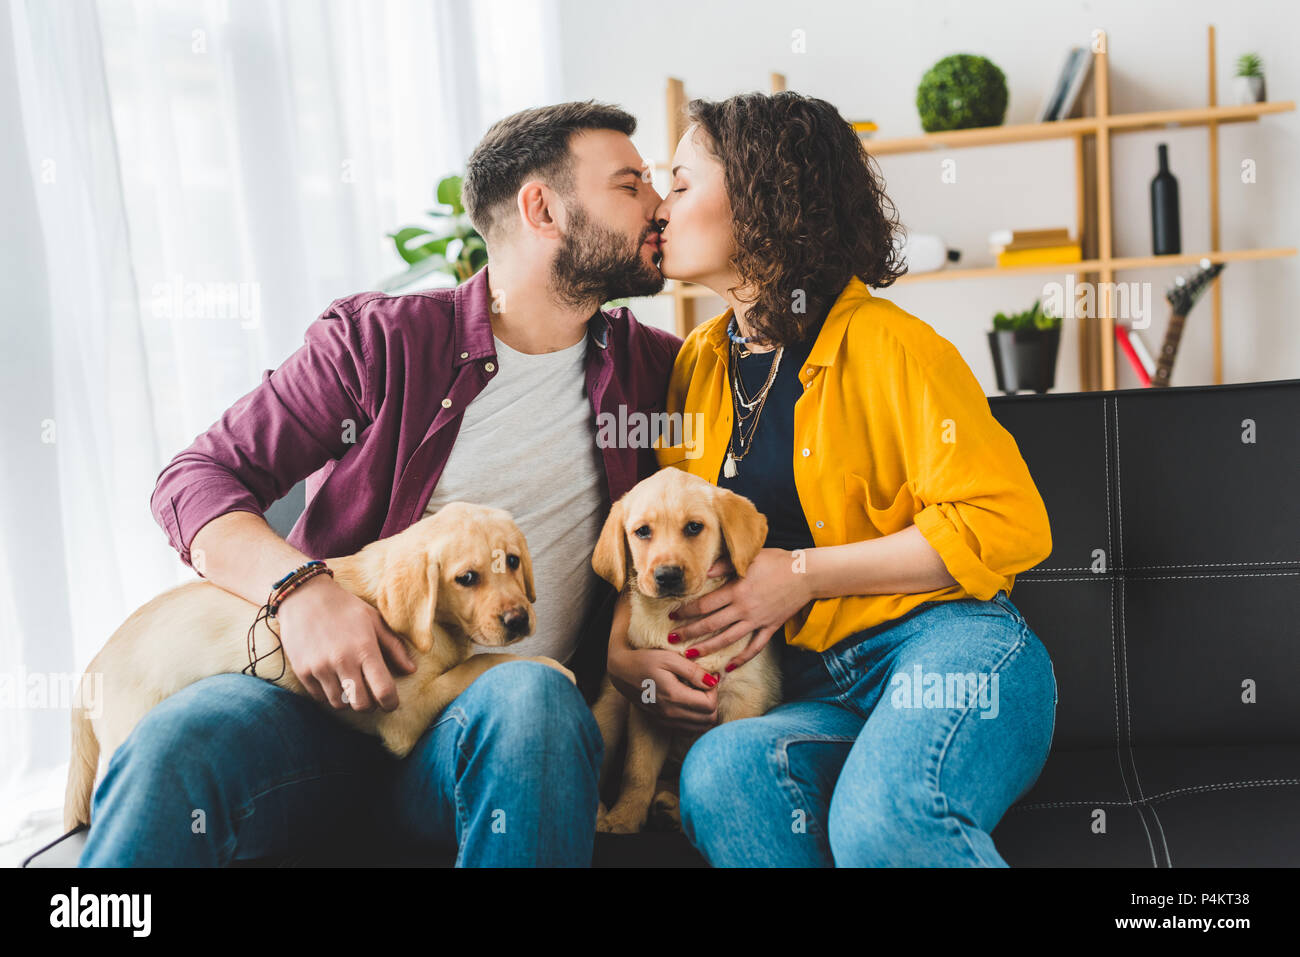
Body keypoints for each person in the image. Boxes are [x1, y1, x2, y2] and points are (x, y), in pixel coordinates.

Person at [79, 101, 686, 867]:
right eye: (631, 185)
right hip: (305, 718)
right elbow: (195, 478)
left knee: (535, 694)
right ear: (542, 208)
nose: (660, 206)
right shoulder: (381, 343)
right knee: (176, 742)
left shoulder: (656, 372)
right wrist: (302, 590)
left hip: (478, 736)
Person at [604, 91, 1059, 866]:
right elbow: (654, 533)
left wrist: (804, 575)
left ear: (760, 197)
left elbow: (1009, 523)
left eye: (681, 183)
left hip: (947, 646)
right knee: (722, 775)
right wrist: (622, 649)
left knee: (882, 820)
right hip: (811, 690)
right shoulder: (697, 366)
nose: (660, 206)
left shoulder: (897, 348)